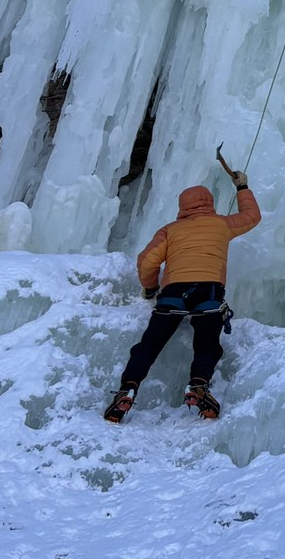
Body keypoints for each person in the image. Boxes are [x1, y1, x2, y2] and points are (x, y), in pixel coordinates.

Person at [103, 158, 262, 422]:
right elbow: (251, 217)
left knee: (149, 345)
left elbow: (147, 260)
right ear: (210, 204)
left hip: (173, 293)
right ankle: (198, 385)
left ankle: (127, 390)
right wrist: (242, 187)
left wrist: (150, 288)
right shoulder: (221, 224)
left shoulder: (170, 230)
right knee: (207, 344)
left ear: (182, 207)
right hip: (209, 293)